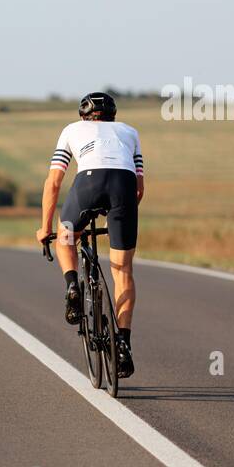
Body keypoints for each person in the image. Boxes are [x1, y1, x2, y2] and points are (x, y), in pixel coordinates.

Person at [34, 92, 143, 377]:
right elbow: (139, 189)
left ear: (84, 115)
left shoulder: (71, 129)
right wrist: (119, 213)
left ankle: (72, 285)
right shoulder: (130, 132)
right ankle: (123, 345)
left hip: (88, 185)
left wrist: (46, 228)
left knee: (66, 238)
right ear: (113, 115)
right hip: (123, 188)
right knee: (123, 272)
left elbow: (54, 182)